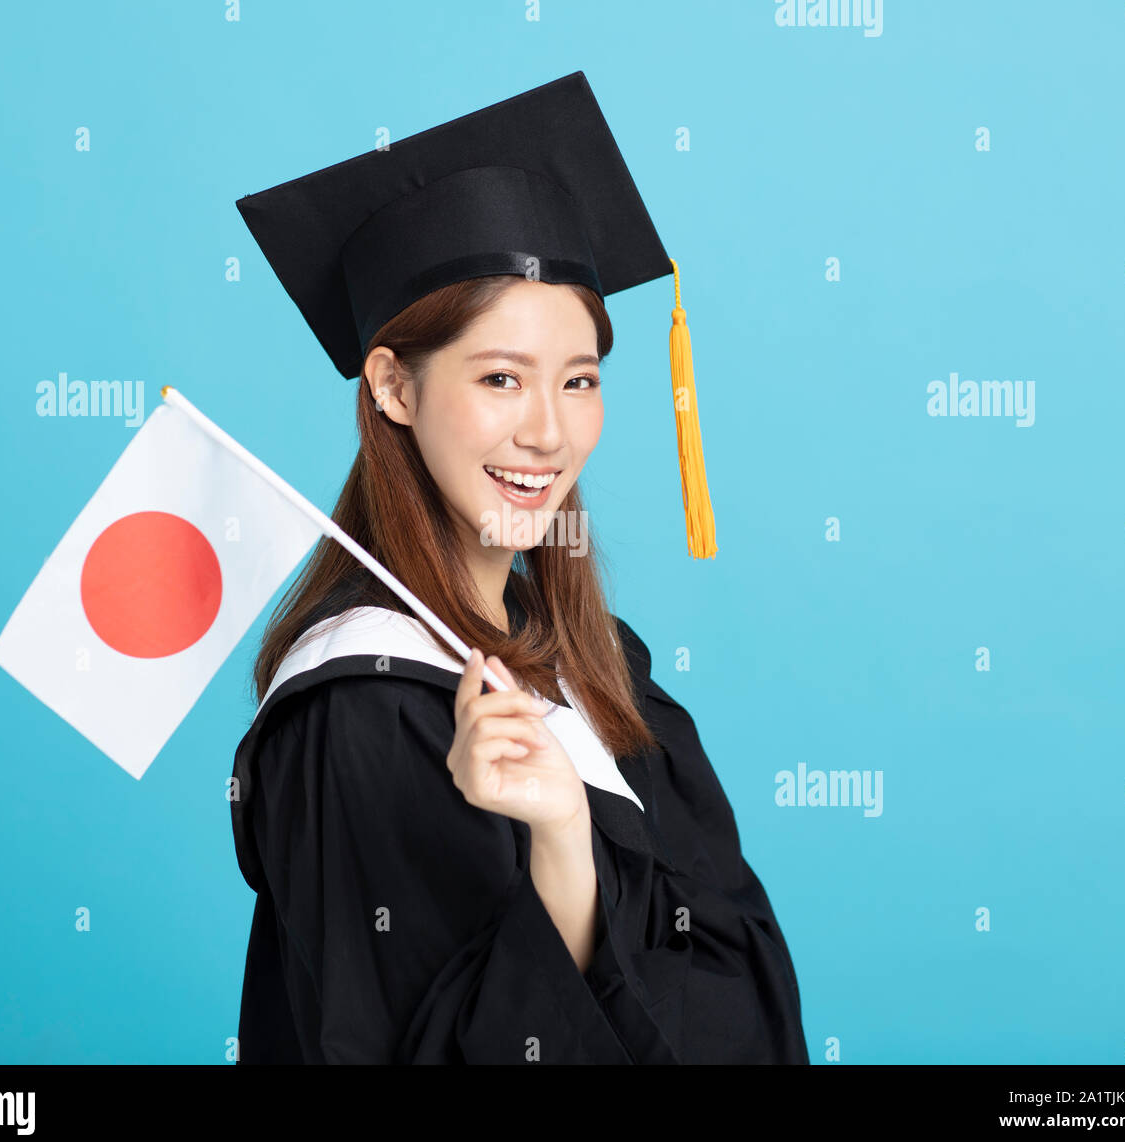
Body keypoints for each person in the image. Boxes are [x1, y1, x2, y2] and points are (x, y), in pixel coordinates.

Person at [228, 72, 809, 1063]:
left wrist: (573, 845)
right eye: (500, 378)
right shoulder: (359, 709)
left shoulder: (589, 656)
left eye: (578, 381)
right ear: (393, 387)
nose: (548, 431)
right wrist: (562, 850)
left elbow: (733, 964)